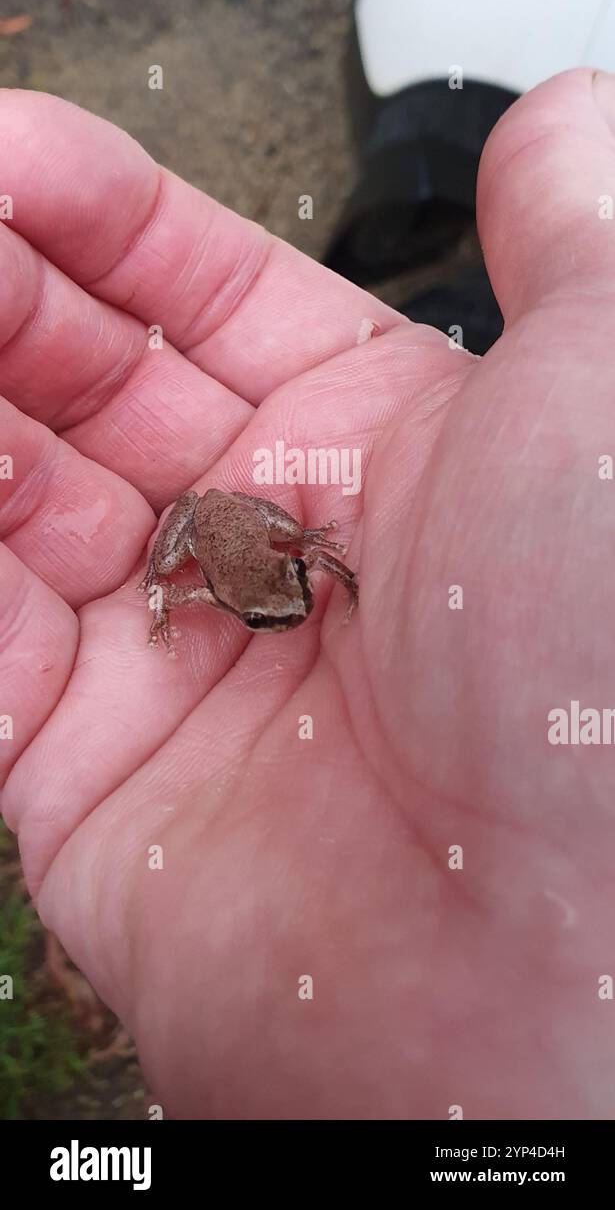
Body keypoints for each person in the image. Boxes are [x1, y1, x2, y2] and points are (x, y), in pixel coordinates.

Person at [0, 69, 612, 1119]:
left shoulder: (294, 572)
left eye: (288, 603)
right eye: (273, 615)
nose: (291, 618)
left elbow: (314, 559)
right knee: (184, 539)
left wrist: (340, 570)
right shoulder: (222, 600)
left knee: (286, 502)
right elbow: (209, 576)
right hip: (214, 525)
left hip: (252, 519)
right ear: (249, 612)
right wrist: (162, 596)